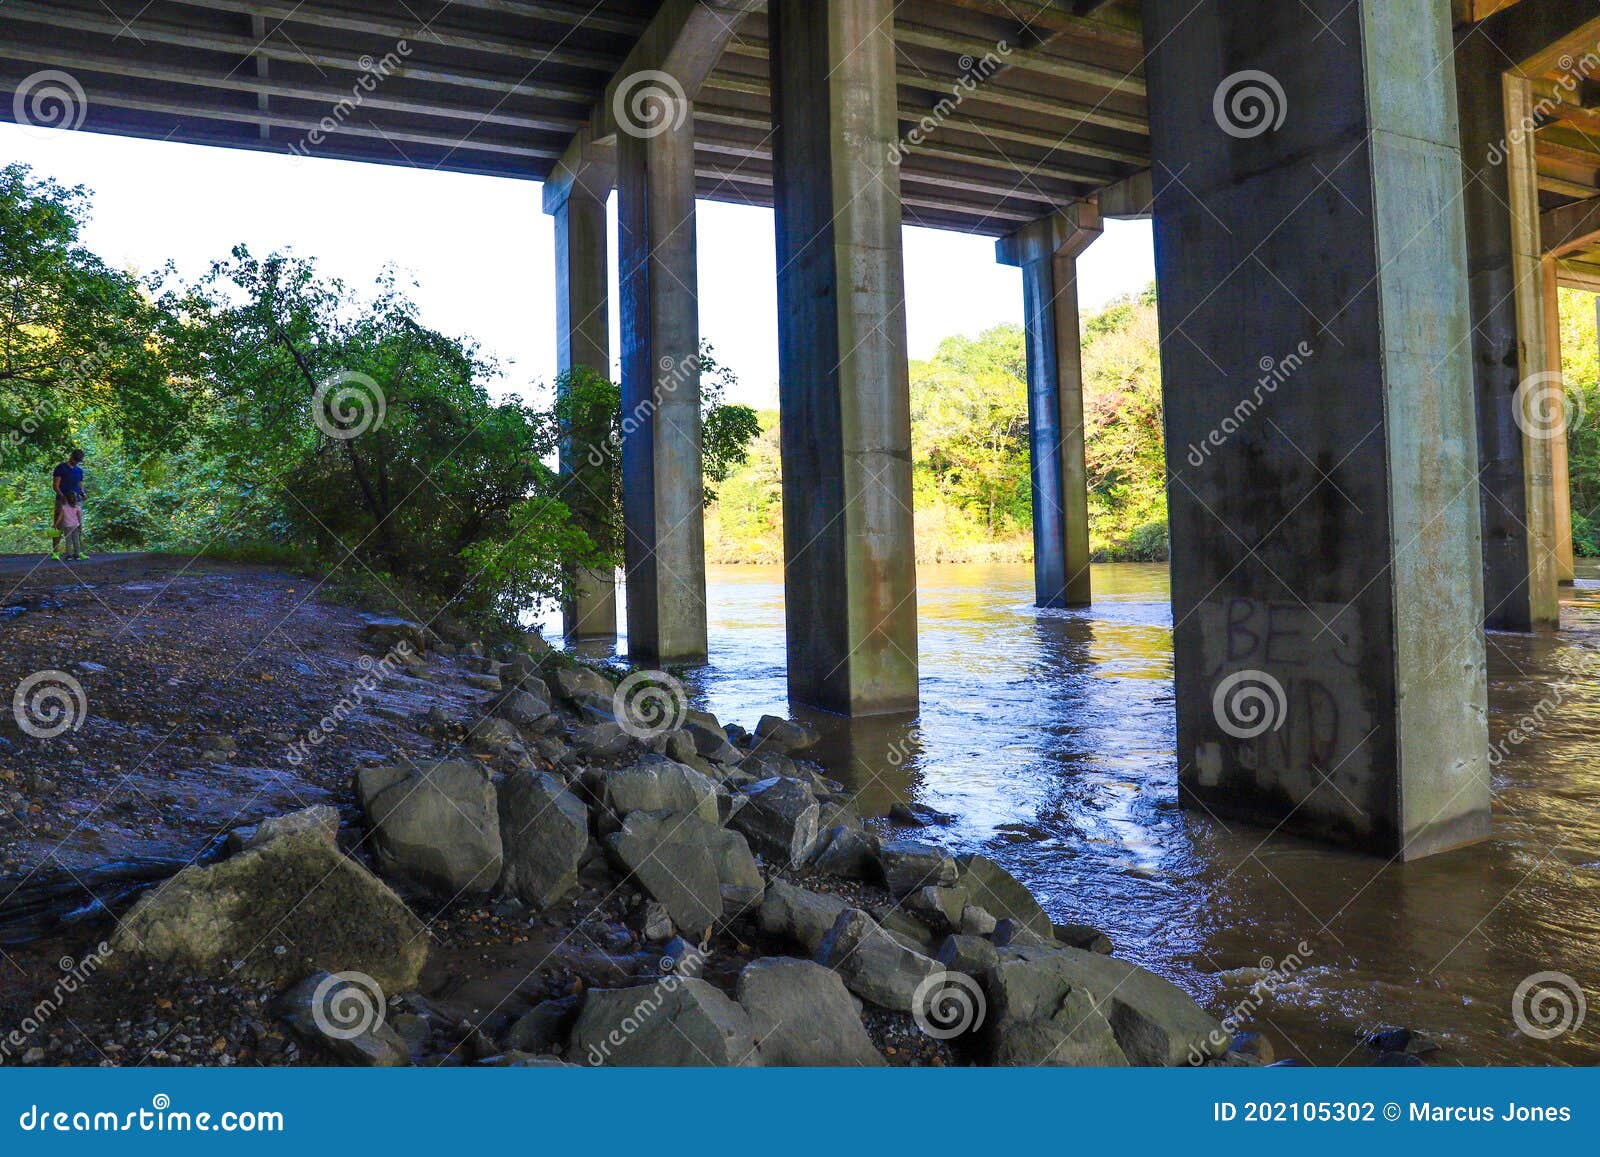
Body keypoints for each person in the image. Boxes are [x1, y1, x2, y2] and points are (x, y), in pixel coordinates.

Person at [50, 449, 86, 561]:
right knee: (58, 525)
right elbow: (55, 485)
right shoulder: (60, 468)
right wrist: (62, 496)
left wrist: (83, 494)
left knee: (77, 525)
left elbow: (80, 486)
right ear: (71, 457)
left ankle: (78, 552)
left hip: (76, 501)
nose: (76, 462)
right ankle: (55, 552)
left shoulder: (79, 471)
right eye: (75, 459)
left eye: (78, 461)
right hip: (62, 500)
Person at [54, 494, 83, 561]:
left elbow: (60, 517)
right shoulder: (77, 507)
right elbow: (79, 518)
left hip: (67, 526)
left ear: (66, 499)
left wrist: (56, 524)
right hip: (75, 526)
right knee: (76, 540)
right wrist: (80, 525)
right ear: (75, 499)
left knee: (68, 541)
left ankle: (69, 556)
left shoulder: (64, 507)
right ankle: (77, 555)